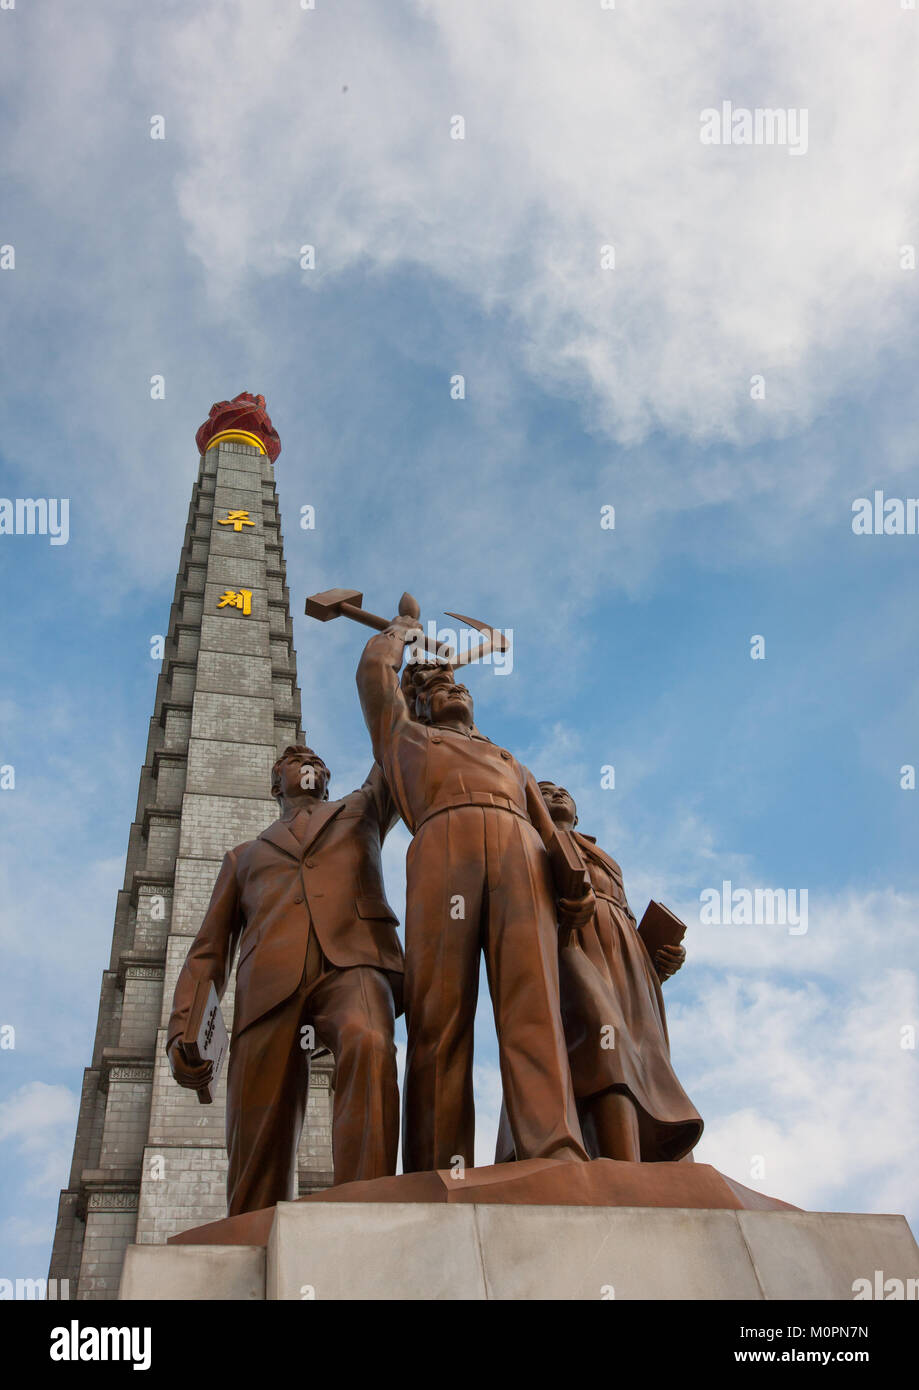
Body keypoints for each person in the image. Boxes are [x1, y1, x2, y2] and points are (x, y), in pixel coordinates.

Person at [357, 618, 593, 1173]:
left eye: (458, 684)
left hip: (521, 855)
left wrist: (573, 887)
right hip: (443, 845)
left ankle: (553, 1146)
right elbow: (373, 674)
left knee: (532, 1004)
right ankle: (437, 1159)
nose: (456, 688)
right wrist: (401, 632)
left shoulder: (512, 760)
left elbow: (551, 833)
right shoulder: (402, 737)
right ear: (417, 701)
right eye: (438, 686)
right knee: (440, 1010)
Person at [166, 745, 403, 1214]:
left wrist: (407, 686)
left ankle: (366, 1202)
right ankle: (251, 1229)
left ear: (328, 776)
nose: (306, 762)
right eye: (294, 761)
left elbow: (392, 738)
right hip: (267, 986)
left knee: (369, 1041)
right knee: (256, 1120)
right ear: (277, 784)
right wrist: (183, 1028)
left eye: (314, 759)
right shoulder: (243, 858)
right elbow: (209, 950)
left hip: (351, 962)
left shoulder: (362, 808)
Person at [497, 781, 702, 1164]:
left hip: (626, 960)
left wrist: (656, 959)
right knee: (604, 1037)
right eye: (544, 790)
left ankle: (655, 1160)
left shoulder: (605, 857)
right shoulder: (525, 838)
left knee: (647, 1053)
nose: (556, 793)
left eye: (563, 791)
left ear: (578, 813)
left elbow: (620, 917)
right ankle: (618, 1163)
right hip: (565, 943)